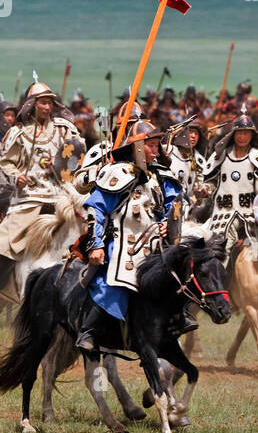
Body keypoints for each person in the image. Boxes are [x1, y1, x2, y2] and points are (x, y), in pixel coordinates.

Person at [76, 120, 181, 352]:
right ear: (138, 147)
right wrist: (96, 244)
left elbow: (174, 208)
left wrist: (168, 225)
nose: (156, 150)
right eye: (151, 145)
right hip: (125, 242)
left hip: (155, 245)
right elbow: (96, 208)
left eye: (158, 145)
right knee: (121, 277)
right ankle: (89, 331)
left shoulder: (161, 176)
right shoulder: (118, 173)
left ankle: (179, 320)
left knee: (179, 275)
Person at [0, 79, 83, 289]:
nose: (47, 107)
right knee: (16, 223)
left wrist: (63, 161)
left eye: (49, 103)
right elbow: (6, 162)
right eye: (42, 103)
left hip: (62, 192)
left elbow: (78, 153)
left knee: (86, 220)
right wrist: (18, 177)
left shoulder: (64, 129)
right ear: (32, 104)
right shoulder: (19, 133)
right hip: (31, 194)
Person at [203, 108, 258, 262]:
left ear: (252, 136)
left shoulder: (257, 158)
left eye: (246, 133)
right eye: (239, 133)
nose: (242, 137)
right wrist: (205, 190)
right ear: (233, 135)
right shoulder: (221, 156)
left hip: (250, 213)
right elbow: (210, 182)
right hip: (223, 213)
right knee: (216, 250)